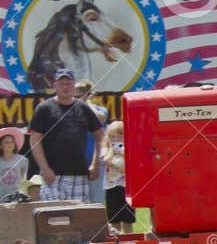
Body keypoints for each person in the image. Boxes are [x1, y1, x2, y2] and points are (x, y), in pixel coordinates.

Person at [28, 68, 104, 203]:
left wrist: (95, 164)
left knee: (79, 218)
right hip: (52, 175)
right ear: (54, 85)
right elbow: (34, 140)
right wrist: (45, 169)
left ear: (73, 85)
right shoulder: (44, 108)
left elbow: (100, 136)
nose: (65, 87)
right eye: (61, 83)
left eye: (68, 83)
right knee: (53, 217)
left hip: (79, 173)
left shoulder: (83, 107)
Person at [101, 120, 136, 233]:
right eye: (112, 136)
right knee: (114, 219)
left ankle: (129, 240)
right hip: (111, 186)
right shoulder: (106, 147)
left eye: (119, 136)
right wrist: (112, 149)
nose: (115, 139)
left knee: (128, 219)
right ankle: (117, 242)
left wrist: (121, 150)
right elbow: (106, 160)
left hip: (126, 187)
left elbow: (130, 158)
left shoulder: (128, 146)